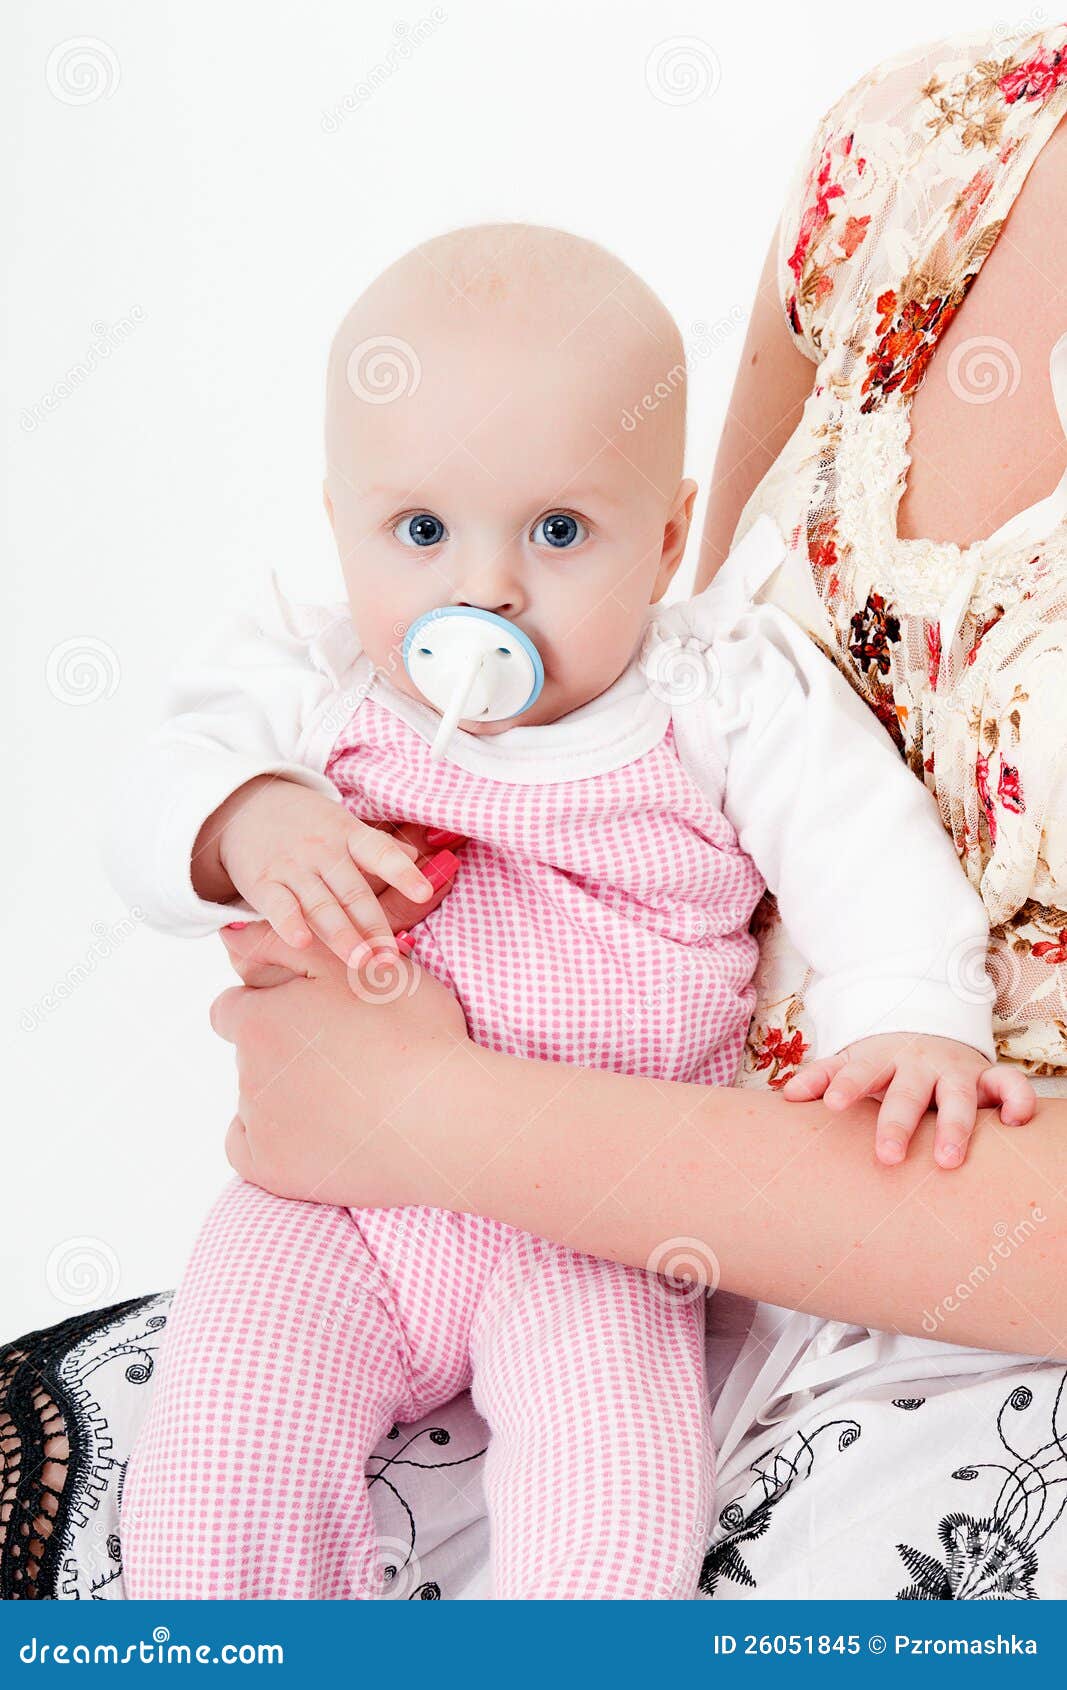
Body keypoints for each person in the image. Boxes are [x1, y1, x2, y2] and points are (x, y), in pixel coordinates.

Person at [4, 20, 1067, 1602]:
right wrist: (246, 819)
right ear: (341, 527)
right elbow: (151, 807)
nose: (483, 589)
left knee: (611, 1506)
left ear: (664, 539)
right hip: (341, 1209)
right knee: (224, 1455)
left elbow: (863, 848)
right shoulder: (312, 668)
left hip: (612, 1237)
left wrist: (913, 1014)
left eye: (559, 532)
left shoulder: (718, 690)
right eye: (421, 530)